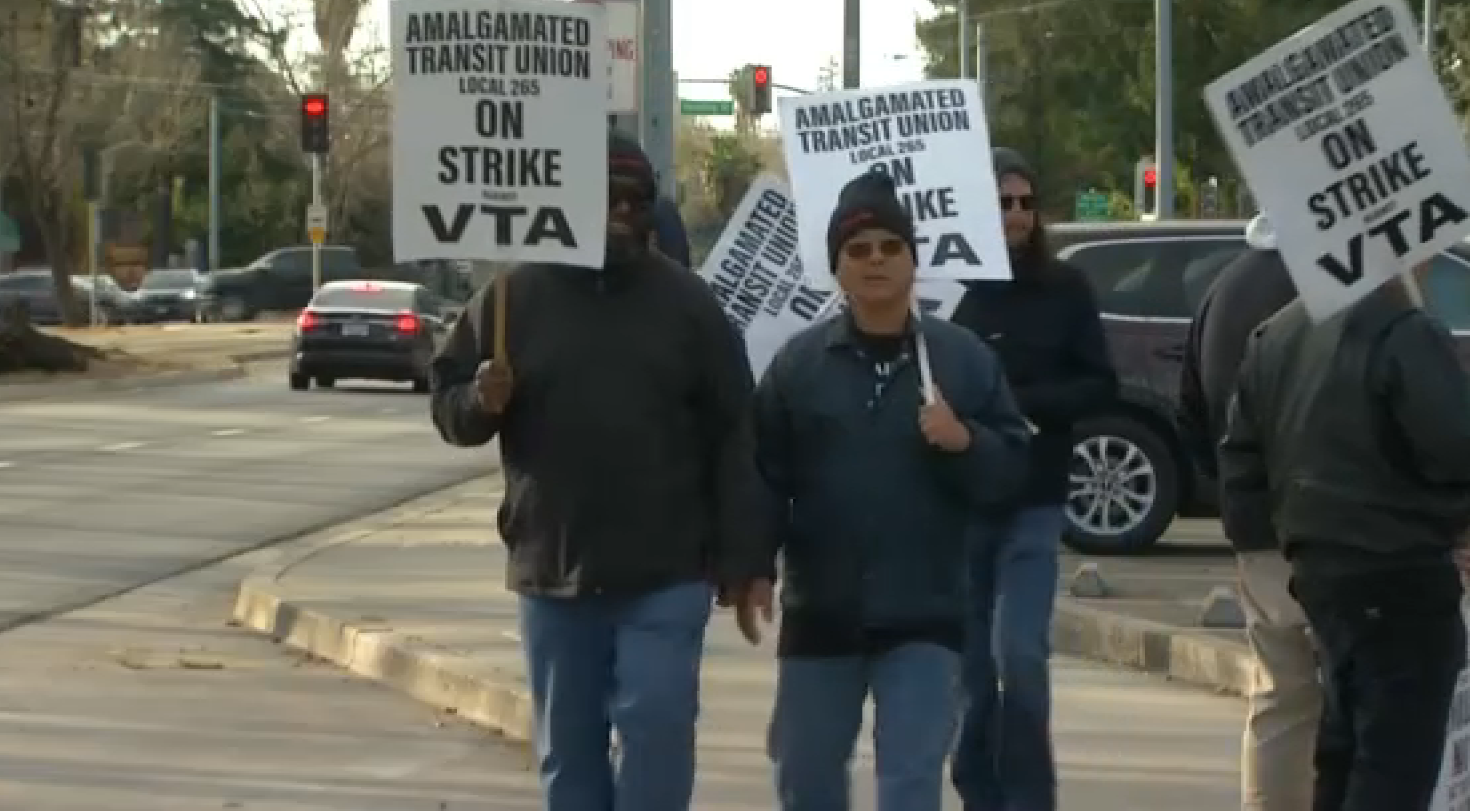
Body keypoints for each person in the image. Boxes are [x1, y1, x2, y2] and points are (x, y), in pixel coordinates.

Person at [428, 132, 777, 811]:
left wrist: (746, 558)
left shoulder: (691, 307)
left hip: (668, 573)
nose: (621, 211)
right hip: (552, 569)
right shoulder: (511, 299)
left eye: (635, 199)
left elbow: (738, 435)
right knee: (568, 750)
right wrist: (480, 399)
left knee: (657, 728)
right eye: (605, 197)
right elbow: (449, 407)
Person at [754, 169, 1033, 811]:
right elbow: (763, 473)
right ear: (838, 268)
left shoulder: (960, 359)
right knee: (805, 778)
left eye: (889, 248)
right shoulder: (799, 365)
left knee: (910, 785)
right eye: (858, 250)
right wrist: (750, 566)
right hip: (821, 610)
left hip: (926, 612)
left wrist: (965, 440)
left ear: (912, 261)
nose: (875, 261)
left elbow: (1012, 469)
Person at [1220, 269, 1470, 811]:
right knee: (1392, 762)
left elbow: (1243, 454)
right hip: (1400, 570)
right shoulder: (1403, 328)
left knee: (1344, 749)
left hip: (1321, 569)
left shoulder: (1280, 331)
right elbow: (1462, 442)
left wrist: (1289, 536)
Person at [949, 147, 1116, 811]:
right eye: (1002, 202)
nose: (1016, 214)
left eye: (1025, 202)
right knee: (971, 668)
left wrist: (1023, 403)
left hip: (1034, 500)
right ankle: (978, 791)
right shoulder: (951, 290)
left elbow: (1099, 382)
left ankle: (1028, 799)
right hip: (961, 504)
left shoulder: (1066, 289)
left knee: (1019, 654)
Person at [1176, 214, 1314, 811]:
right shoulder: (1339, 289)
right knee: (1356, 698)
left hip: (1256, 526)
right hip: (1344, 529)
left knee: (1280, 699)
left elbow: (1189, 409)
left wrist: (1233, 488)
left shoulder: (1224, 287)